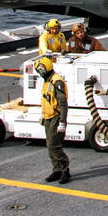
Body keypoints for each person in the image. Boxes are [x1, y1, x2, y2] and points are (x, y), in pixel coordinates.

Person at [35, 56, 70, 184]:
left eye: (41, 68)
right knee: (49, 146)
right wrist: (43, 115)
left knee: (54, 145)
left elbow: (63, 104)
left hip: (56, 117)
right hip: (48, 117)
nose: (40, 71)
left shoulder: (57, 81)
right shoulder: (46, 81)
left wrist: (62, 122)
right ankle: (56, 170)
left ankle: (65, 170)